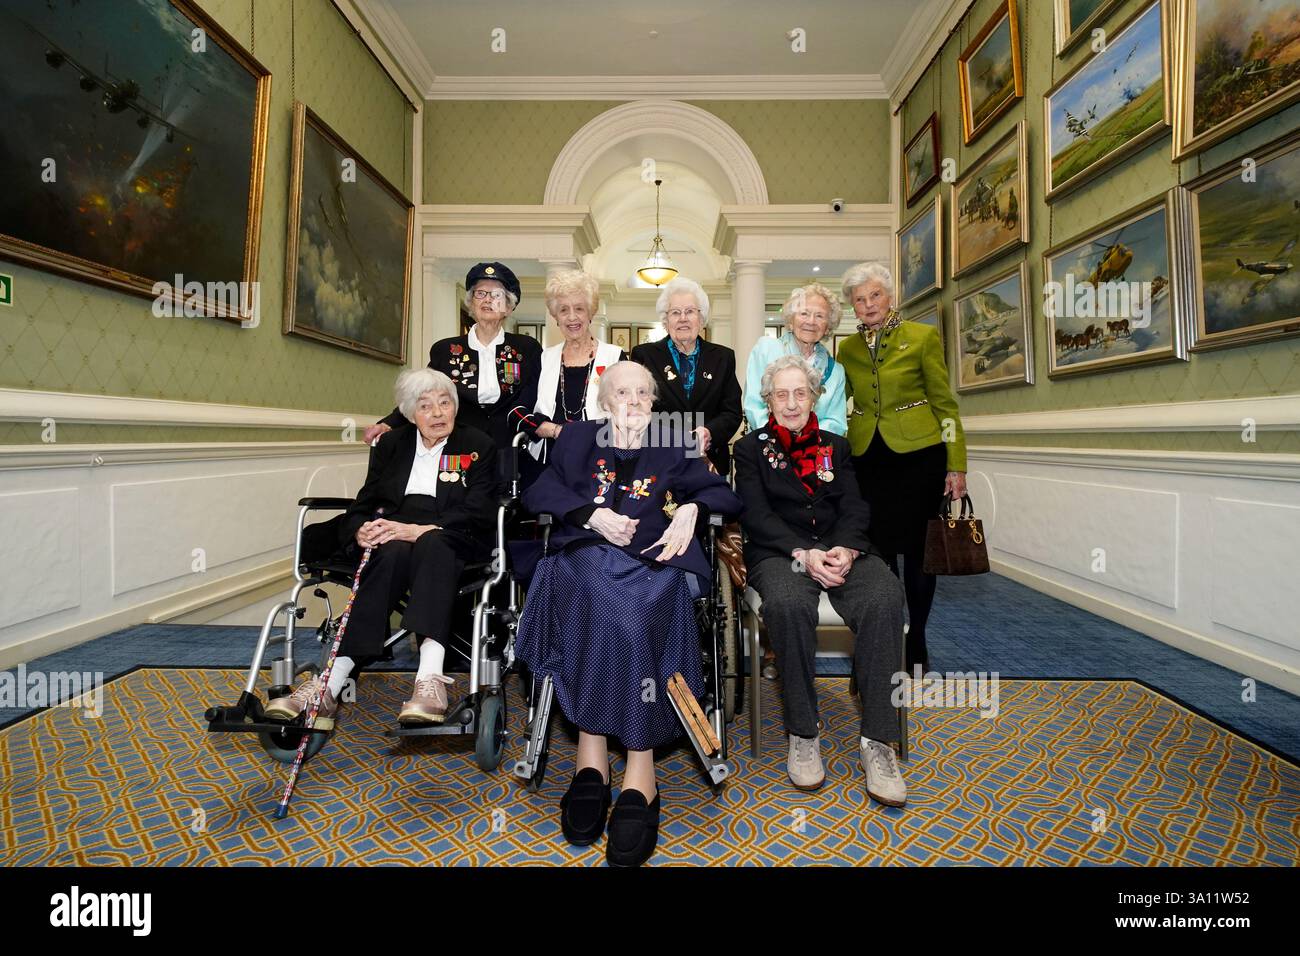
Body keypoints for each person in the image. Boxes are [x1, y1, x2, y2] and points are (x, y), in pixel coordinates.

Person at [514, 361, 742, 866]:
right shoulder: (575, 437)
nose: (634, 401)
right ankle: (591, 760)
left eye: (643, 392)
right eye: (622, 392)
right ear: (603, 399)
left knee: (632, 608)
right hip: (583, 556)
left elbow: (724, 492)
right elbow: (538, 492)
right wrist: (588, 514)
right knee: (597, 593)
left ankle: (637, 769)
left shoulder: (673, 437)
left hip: (655, 561)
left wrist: (691, 508)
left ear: (654, 400)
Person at [267, 368, 498, 728]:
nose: (438, 413)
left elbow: (480, 510)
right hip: (393, 531)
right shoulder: (392, 445)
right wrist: (361, 530)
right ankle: (331, 683)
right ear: (409, 413)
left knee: (433, 544)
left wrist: (418, 529)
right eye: (426, 406)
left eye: (445, 402)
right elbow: (365, 502)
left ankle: (429, 680)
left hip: (453, 532)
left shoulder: (478, 444)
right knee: (389, 554)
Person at [734, 355, 908, 807]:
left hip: (841, 550)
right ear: (767, 400)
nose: (791, 403)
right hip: (780, 554)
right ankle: (803, 730)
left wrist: (847, 548)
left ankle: (878, 742)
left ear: (814, 397)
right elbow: (755, 514)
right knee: (789, 606)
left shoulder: (838, 446)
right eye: (781, 394)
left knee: (886, 596)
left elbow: (855, 506)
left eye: (800, 393)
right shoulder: (750, 449)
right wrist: (802, 552)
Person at [837, 262, 967, 672]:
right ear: (853, 308)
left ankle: (919, 638)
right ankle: (888, 632)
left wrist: (956, 464)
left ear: (890, 297)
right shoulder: (848, 349)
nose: (868, 304)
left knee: (917, 552)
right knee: (879, 551)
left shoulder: (922, 337)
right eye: (860, 299)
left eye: (875, 295)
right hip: (868, 458)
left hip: (919, 455)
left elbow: (945, 404)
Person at [364, 262, 542, 464]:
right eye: (480, 293)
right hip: (460, 446)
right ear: (471, 303)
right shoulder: (446, 350)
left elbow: (538, 395)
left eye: (497, 295)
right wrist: (388, 424)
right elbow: (423, 392)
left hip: (512, 449)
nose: (488, 300)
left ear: (509, 307)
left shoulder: (527, 348)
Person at [514, 269, 624, 475]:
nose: (572, 317)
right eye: (564, 310)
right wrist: (552, 429)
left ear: (591, 312)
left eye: (579, 308)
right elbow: (517, 411)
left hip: (600, 459)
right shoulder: (543, 359)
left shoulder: (614, 357)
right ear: (555, 316)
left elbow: (628, 413)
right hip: (548, 460)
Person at [630, 276, 742, 475]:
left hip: (710, 462)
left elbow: (731, 412)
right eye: (675, 312)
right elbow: (636, 410)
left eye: (690, 311)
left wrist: (709, 432)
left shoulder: (723, 357)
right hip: (658, 461)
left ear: (701, 318)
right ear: (666, 321)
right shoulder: (644, 355)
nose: (683, 318)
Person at [743, 282, 848, 436]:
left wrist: (805, 442)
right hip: (769, 446)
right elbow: (754, 405)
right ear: (791, 320)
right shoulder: (766, 349)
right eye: (804, 313)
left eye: (819, 316)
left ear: (828, 326)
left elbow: (835, 422)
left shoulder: (835, 371)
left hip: (814, 452)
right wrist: (781, 440)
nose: (811, 321)